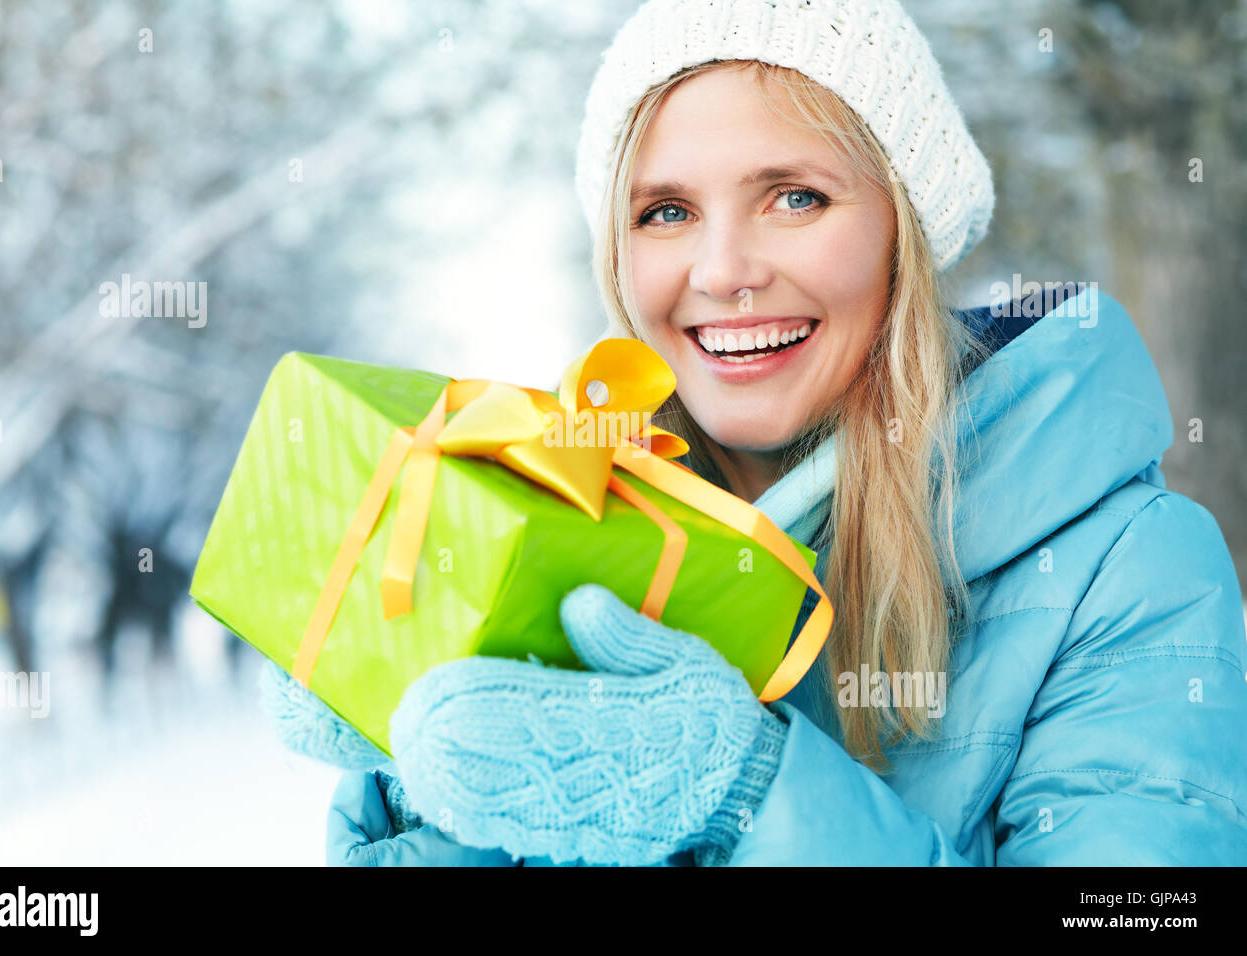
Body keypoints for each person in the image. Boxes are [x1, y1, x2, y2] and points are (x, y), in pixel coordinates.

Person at [261, 0, 1247, 865]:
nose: (723, 268)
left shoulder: (1126, 569)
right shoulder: (567, 530)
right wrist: (417, 772)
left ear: (902, 227)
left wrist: (750, 792)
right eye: (667, 211)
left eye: (794, 197)